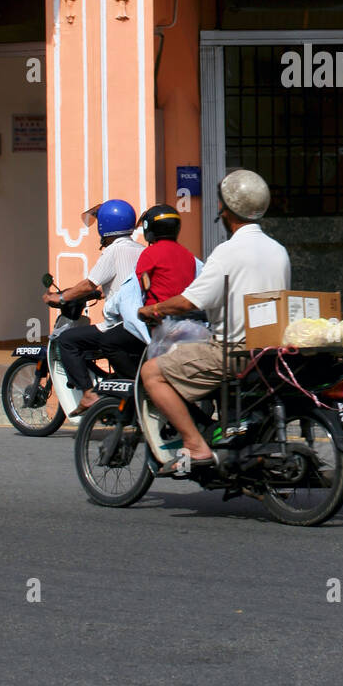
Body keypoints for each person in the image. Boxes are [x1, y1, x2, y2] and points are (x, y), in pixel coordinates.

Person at [139, 169, 290, 470]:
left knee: (152, 373)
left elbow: (188, 302)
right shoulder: (278, 250)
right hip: (268, 352)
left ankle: (195, 446)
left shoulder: (227, 252)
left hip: (233, 352)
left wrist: (153, 309)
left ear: (227, 210)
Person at [44, 198, 144, 414]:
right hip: (139, 322)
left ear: (105, 225)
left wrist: (60, 298)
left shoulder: (114, 251)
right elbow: (123, 281)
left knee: (67, 340)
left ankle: (88, 393)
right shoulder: (140, 249)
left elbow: (87, 284)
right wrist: (101, 292)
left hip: (119, 324)